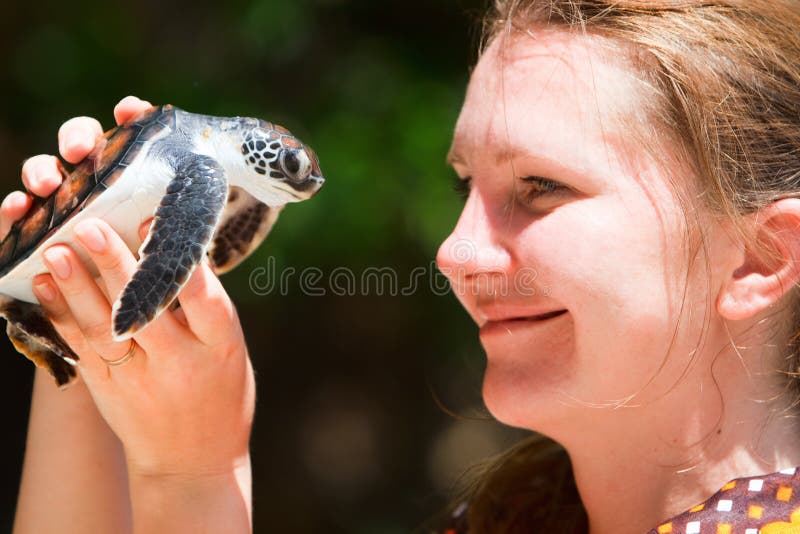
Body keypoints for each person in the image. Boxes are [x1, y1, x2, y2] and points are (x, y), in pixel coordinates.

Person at [8, 0, 800, 532]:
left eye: (541, 187)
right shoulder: (516, 516)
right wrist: (78, 307)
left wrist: (191, 477)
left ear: (760, 257)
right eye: (466, 184)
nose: (455, 253)